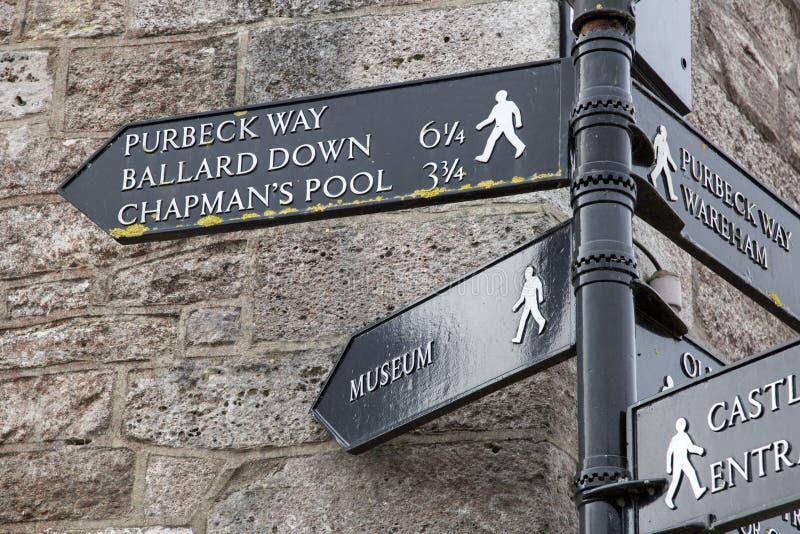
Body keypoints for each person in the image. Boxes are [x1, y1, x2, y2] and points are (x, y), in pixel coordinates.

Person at [665, 417, 707, 510]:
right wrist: (668, 466)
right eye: (681, 424)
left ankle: (697, 491)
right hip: (679, 462)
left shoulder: (684, 436)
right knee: (677, 479)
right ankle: (668, 498)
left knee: (691, 473)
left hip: (683, 460)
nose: (682, 426)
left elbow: (690, 448)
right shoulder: (676, 438)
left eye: (683, 424)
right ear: (677, 426)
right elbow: (669, 452)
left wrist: (698, 450)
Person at [475, 90, 526, 163]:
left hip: (507, 125)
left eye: (498, 97)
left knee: (511, 137)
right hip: (498, 126)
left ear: (502, 96)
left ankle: (520, 146)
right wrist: (481, 125)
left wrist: (518, 122)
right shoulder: (496, 107)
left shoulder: (510, 103)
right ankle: (485, 157)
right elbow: (490, 119)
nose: (497, 99)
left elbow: (517, 112)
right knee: (491, 140)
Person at [511, 266, 546, 344]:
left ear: (531, 273)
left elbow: (539, 287)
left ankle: (542, 321)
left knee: (535, 314)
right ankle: (518, 338)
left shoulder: (535, 279)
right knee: (523, 319)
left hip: (533, 301)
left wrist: (541, 297)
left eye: (527, 272)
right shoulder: (526, 284)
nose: (526, 274)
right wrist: (516, 306)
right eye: (526, 273)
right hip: (527, 304)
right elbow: (522, 298)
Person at [650, 125, 679, 201]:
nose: (663, 133)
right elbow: (654, 147)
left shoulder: (665, 143)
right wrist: (654, 157)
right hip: (660, 159)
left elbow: (668, 155)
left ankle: (671, 195)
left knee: (668, 176)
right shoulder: (658, 138)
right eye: (662, 131)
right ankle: (652, 176)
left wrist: (673, 164)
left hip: (664, 160)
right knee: (659, 170)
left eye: (664, 131)